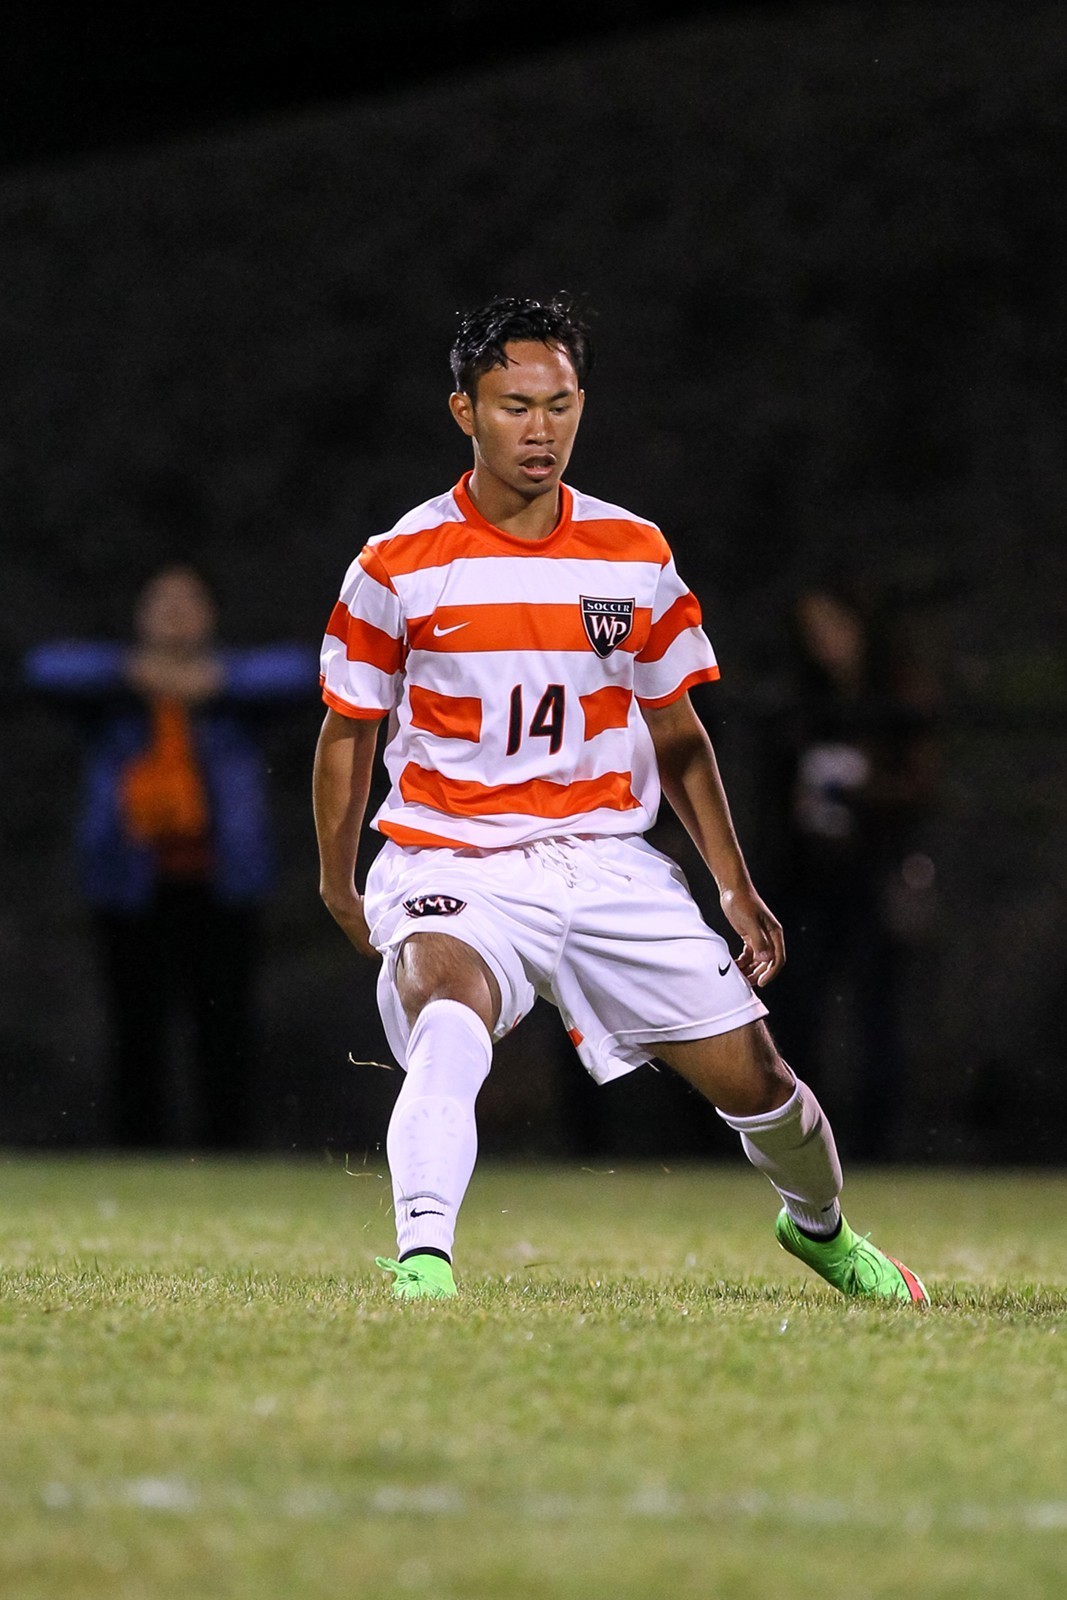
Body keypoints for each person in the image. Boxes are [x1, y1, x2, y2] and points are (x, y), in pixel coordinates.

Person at [313, 294, 928, 1303]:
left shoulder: (632, 554)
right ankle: (424, 1263)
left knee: (760, 1083)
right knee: (447, 1013)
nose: (541, 429)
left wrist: (731, 884)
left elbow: (677, 735)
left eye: (559, 404)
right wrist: (341, 882)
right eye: (515, 405)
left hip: (604, 860)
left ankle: (818, 1228)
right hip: (451, 858)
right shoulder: (396, 563)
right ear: (463, 411)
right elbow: (348, 731)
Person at [25, 563, 318, 1149]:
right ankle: (138, 1148)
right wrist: (130, 673)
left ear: (209, 616)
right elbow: (43, 668)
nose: (176, 614)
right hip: (133, 880)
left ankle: (229, 1150)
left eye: (188, 603)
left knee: (226, 1024)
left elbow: (304, 672)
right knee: (136, 1025)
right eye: (163, 603)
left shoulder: (229, 690)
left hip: (221, 880)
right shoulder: (119, 691)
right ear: (141, 616)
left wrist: (219, 681)